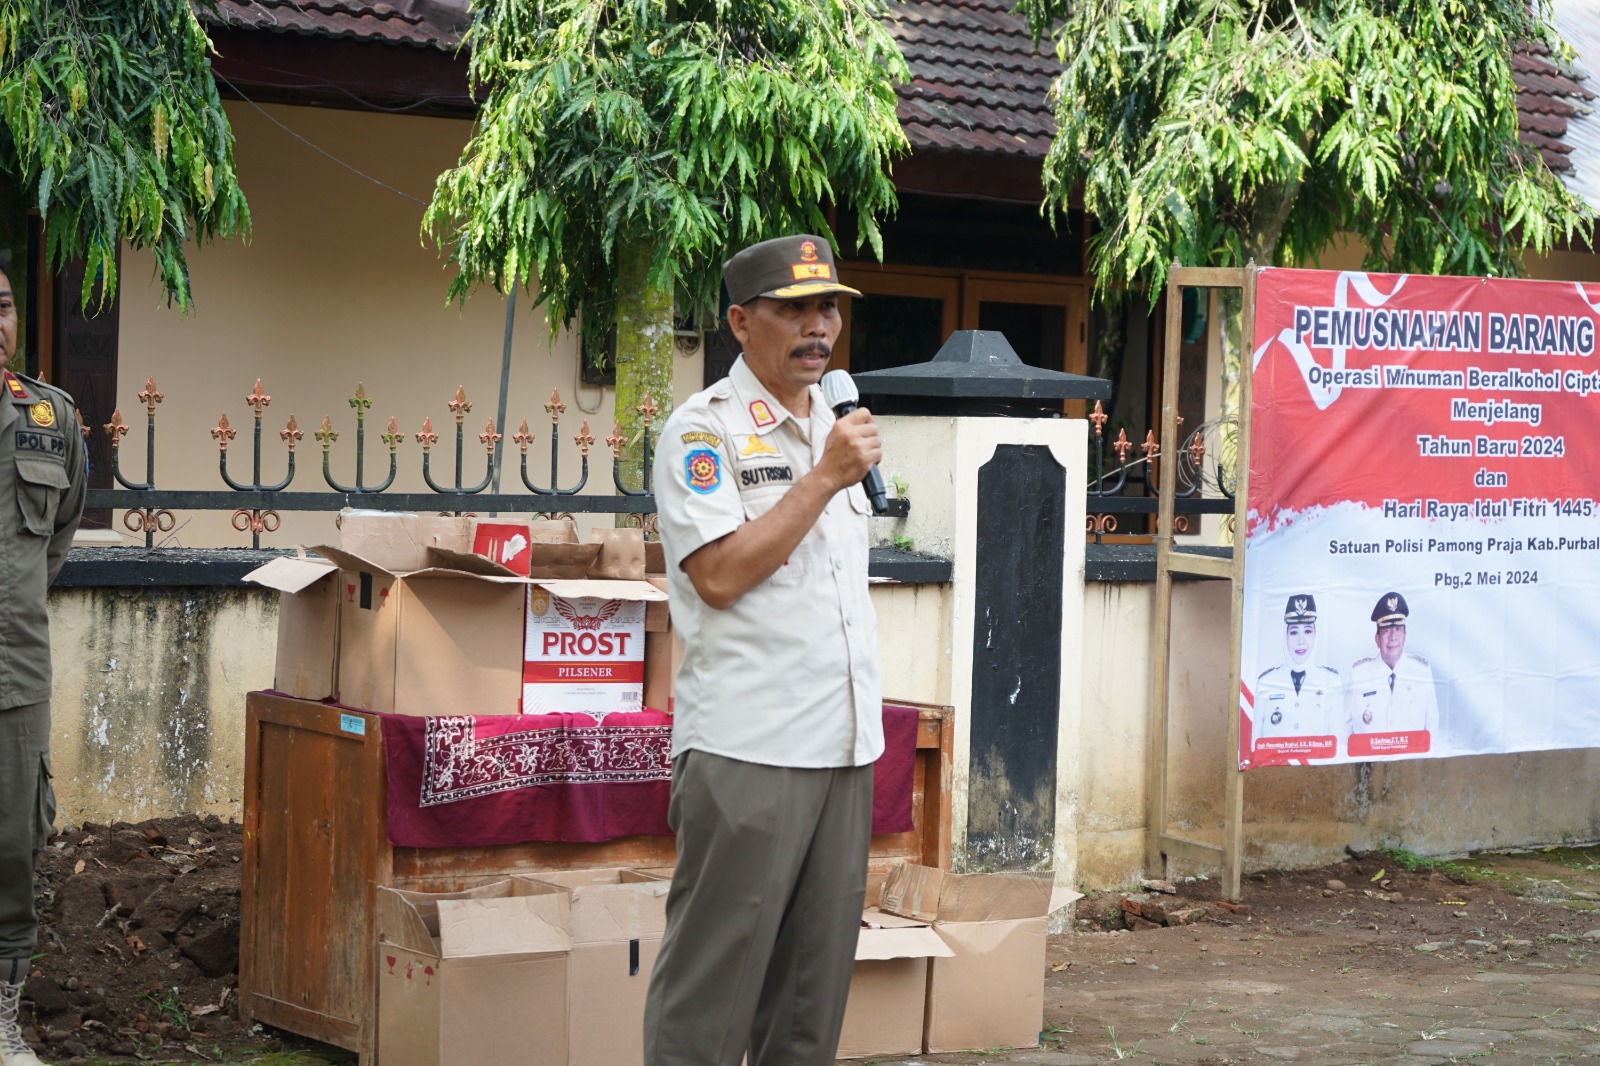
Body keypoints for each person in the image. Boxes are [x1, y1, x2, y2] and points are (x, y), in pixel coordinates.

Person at [642, 234, 882, 1066]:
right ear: (741, 323)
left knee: (811, 999)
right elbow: (717, 576)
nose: (819, 327)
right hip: (751, 747)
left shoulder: (838, 427)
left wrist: (831, 466)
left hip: (843, 745)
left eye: (829, 308)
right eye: (794, 310)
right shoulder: (702, 432)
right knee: (714, 990)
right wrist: (820, 480)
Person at [0, 254, 88, 1066]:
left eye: (1, 306)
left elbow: (54, 540)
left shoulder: (50, 419)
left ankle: (2, 1016)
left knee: (13, 843)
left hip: (14, 672)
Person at [1346, 591, 1439, 738]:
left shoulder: (1421, 671)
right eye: (1386, 630)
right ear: (1377, 639)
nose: (1393, 637)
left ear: (1405, 636)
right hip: (1369, 753)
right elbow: (1345, 729)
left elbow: (1432, 728)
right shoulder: (1358, 675)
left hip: (1412, 754)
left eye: (1398, 629)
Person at [1254, 594, 1340, 738]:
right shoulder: (1266, 682)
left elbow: (1339, 741)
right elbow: (1255, 743)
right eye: (1294, 632)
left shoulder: (1331, 681)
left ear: (1316, 634)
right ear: (1285, 635)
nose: (1301, 641)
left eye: (1307, 631)